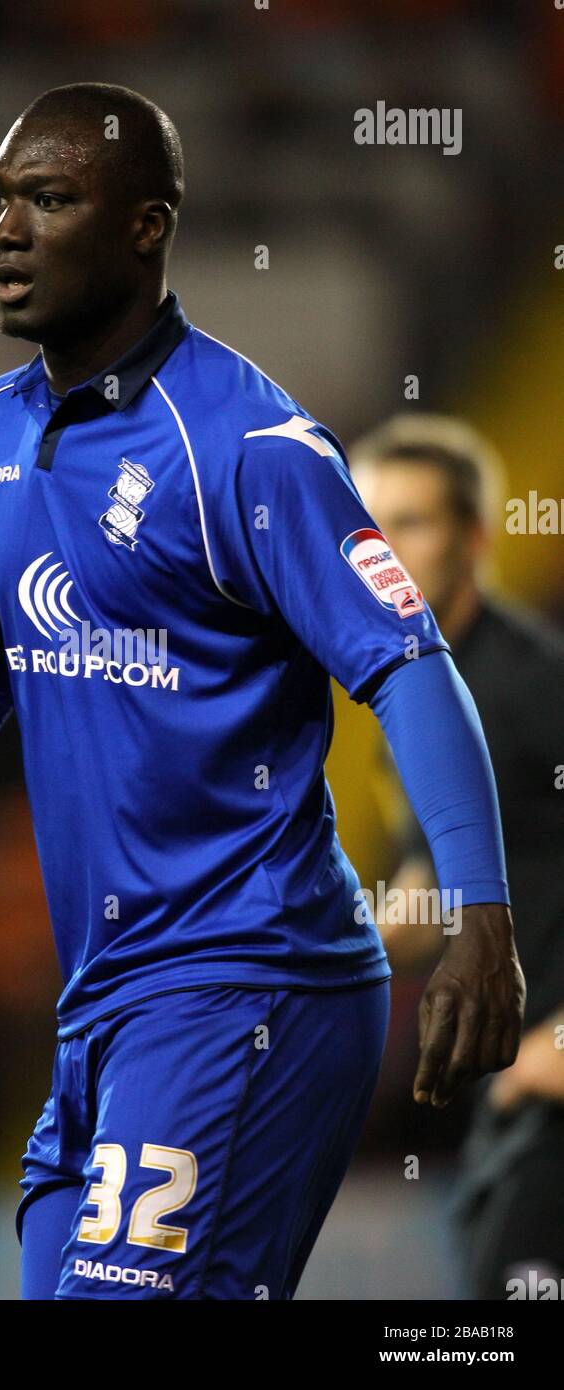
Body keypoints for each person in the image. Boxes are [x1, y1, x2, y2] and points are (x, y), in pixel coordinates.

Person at [0, 84, 524, 1301]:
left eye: (47, 201)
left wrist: (479, 913)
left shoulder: (245, 449)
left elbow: (407, 663)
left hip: (248, 983)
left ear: (146, 225)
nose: (2, 232)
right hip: (99, 1005)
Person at [351, 414, 564, 1299]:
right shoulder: (415, 688)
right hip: (508, 1093)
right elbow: (426, 896)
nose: (383, 553)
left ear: (476, 538)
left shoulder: (532, 687)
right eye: (365, 529)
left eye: (413, 523)